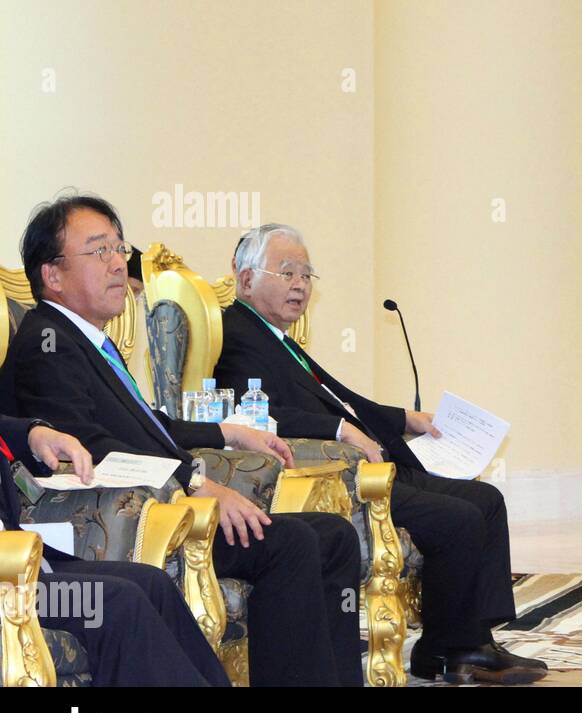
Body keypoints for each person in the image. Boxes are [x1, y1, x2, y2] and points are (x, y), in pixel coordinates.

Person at [0, 193, 363, 686]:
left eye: (118, 247)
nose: (117, 264)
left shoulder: (90, 340)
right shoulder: (50, 342)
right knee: (292, 543)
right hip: (139, 516)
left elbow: (150, 426)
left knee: (332, 535)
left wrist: (227, 431)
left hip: (163, 501)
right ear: (54, 275)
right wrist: (194, 484)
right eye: (99, 250)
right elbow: (92, 448)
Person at [214, 224, 546, 684]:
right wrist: (341, 430)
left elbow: (343, 397)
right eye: (287, 272)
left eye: (307, 275)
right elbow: (262, 412)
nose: (300, 285)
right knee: (457, 518)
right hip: (335, 477)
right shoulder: (234, 333)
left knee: (486, 500)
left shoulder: (279, 339)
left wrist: (405, 419)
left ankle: (473, 640)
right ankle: (448, 649)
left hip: (372, 462)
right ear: (247, 280)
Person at [1, 413, 230, 686]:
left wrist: (33, 434)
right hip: (18, 593)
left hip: (24, 568)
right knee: (116, 602)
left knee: (152, 582)